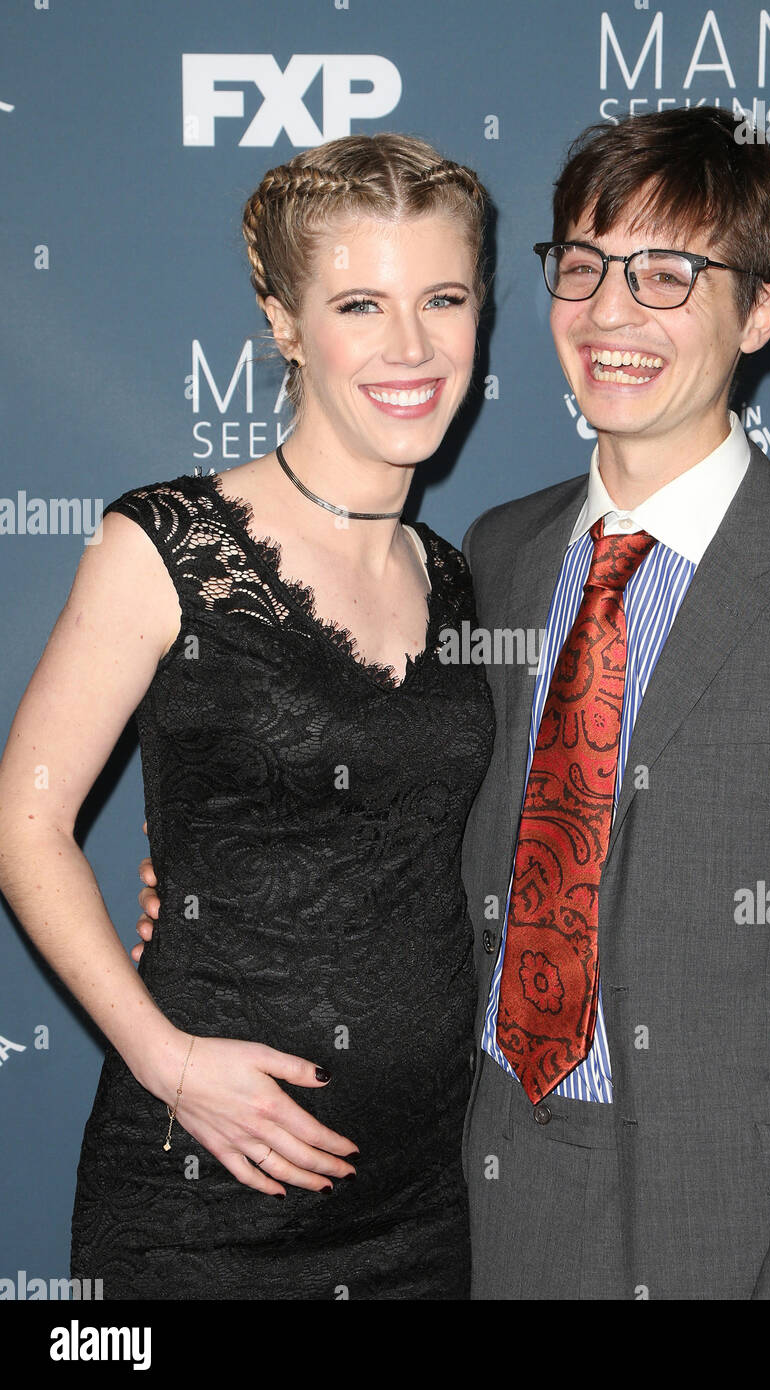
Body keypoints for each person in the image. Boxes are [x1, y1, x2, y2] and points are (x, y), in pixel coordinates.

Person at [456, 107, 770, 1299]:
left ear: (760, 310)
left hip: (737, 1226)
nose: (607, 313)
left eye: (667, 273)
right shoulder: (497, 555)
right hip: (483, 1196)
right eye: (580, 266)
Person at [0, 133, 494, 1300]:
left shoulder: (467, 576)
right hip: (203, 1194)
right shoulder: (165, 544)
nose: (412, 346)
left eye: (444, 298)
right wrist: (164, 1059)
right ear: (282, 321)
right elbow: (25, 824)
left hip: (426, 1197)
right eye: (361, 304)